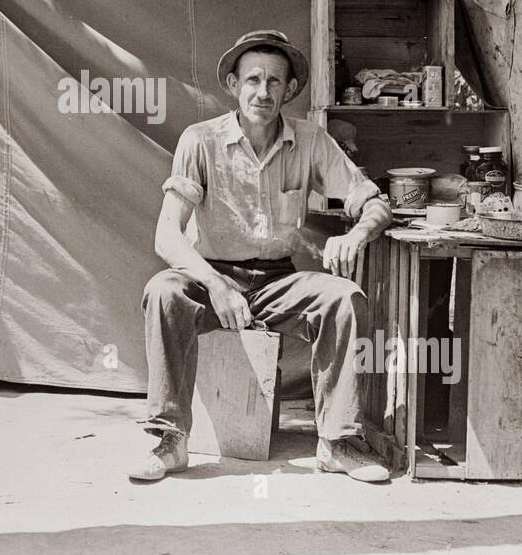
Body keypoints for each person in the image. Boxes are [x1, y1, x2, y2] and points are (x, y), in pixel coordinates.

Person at [131, 29, 393, 483]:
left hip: (278, 281)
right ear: (233, 85)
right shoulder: (201, 140)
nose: (263, 91)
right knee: (164, 291)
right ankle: (169, 439)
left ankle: (338, 442)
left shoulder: (311, 140)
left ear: (290, 90)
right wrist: (216, 286)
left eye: (275, 82)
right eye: (252, 79)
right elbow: (166, 235)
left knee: (344, 297)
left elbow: (374, 203)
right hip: (211, 276)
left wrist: (357, 235)